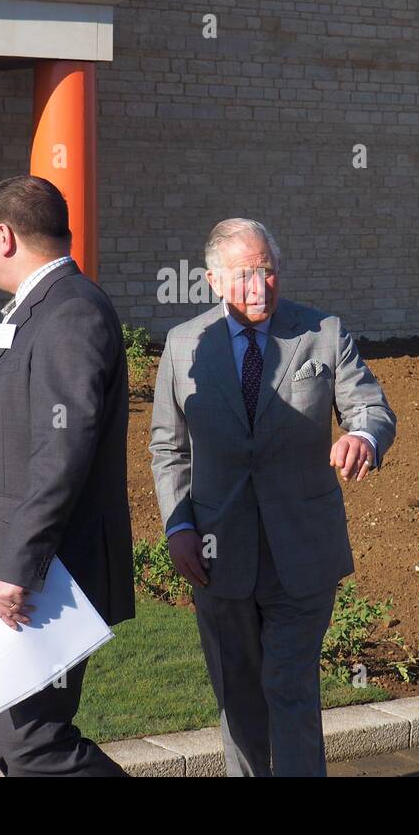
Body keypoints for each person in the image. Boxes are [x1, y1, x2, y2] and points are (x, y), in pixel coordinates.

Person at [149, 218, 396, 776]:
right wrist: (177, 526)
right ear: (211, 280)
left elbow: (371, 409)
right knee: (238, 702)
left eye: (267, 271)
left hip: (302, 551)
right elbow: (169, 448)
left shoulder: (323, 333)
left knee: (290, 690)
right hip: (216, 554)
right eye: (242, 276)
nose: (258, 287)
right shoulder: (185, 344)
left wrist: (362, 436)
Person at [0, 175, 133, 777]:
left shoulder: (70, 313)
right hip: (18, 574)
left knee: (35, 745)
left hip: (42, 580)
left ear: (3, 235)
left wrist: (20, 567)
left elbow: (62, 452)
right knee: (18, 745)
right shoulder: (38, 308)